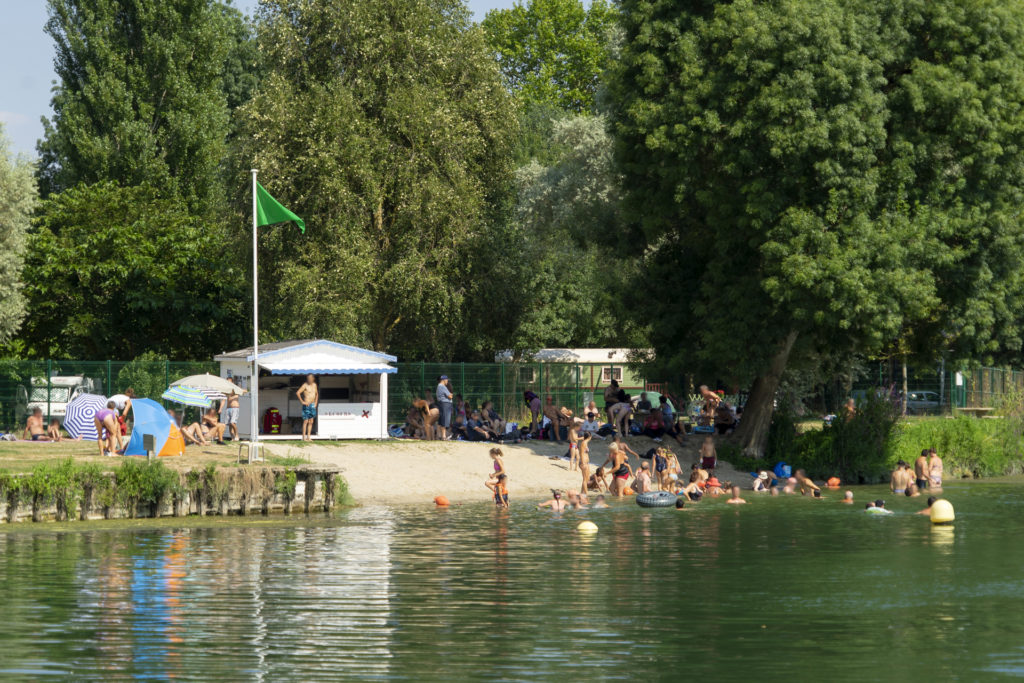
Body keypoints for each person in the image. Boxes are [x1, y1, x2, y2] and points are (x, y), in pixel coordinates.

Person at [297, 374, 319, 441]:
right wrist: (302, 401)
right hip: (306, 404)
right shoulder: (305, 385)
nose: (309, 379)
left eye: (310, 378)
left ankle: (308, 437)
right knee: (306, 421)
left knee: (311, 421)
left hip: (312, 405)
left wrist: (315, 403)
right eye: (308, 378)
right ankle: (303, 437)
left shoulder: (314, 385)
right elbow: (298, 392)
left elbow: (316, 394)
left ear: (313, 378)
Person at [435, 375, 453, 441]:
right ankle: (443, 437)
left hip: (443, 404)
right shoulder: (442, 386)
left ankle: (439, 436)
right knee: (444, 420)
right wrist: (451, 394)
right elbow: (450, 396)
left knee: (442, 420)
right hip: (445, 404)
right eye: (447, 380)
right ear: (443, 380)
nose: (447, 381)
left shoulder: (439, 386)